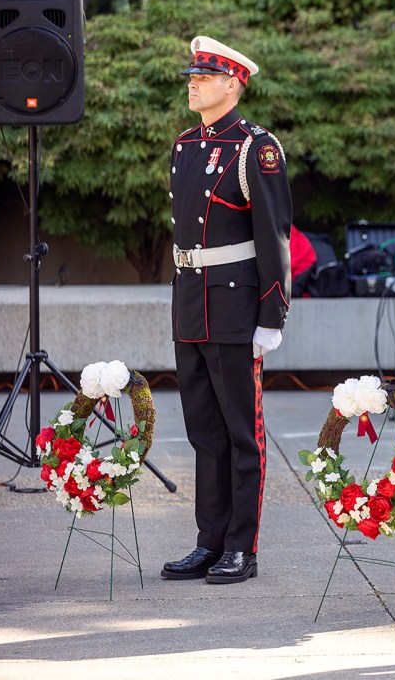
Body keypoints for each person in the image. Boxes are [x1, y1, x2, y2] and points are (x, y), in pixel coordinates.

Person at [161, 36, 292, 585]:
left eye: (205, 76)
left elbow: (274, 236)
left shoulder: (254, 148)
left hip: (237, 304)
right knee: (203, 433)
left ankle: (242, 545)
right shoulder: (186, 144)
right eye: (192, 75)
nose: (192, 82)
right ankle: (208, 540)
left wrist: (271, 316)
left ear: (233, 84)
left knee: (242, 433)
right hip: (191, 300)